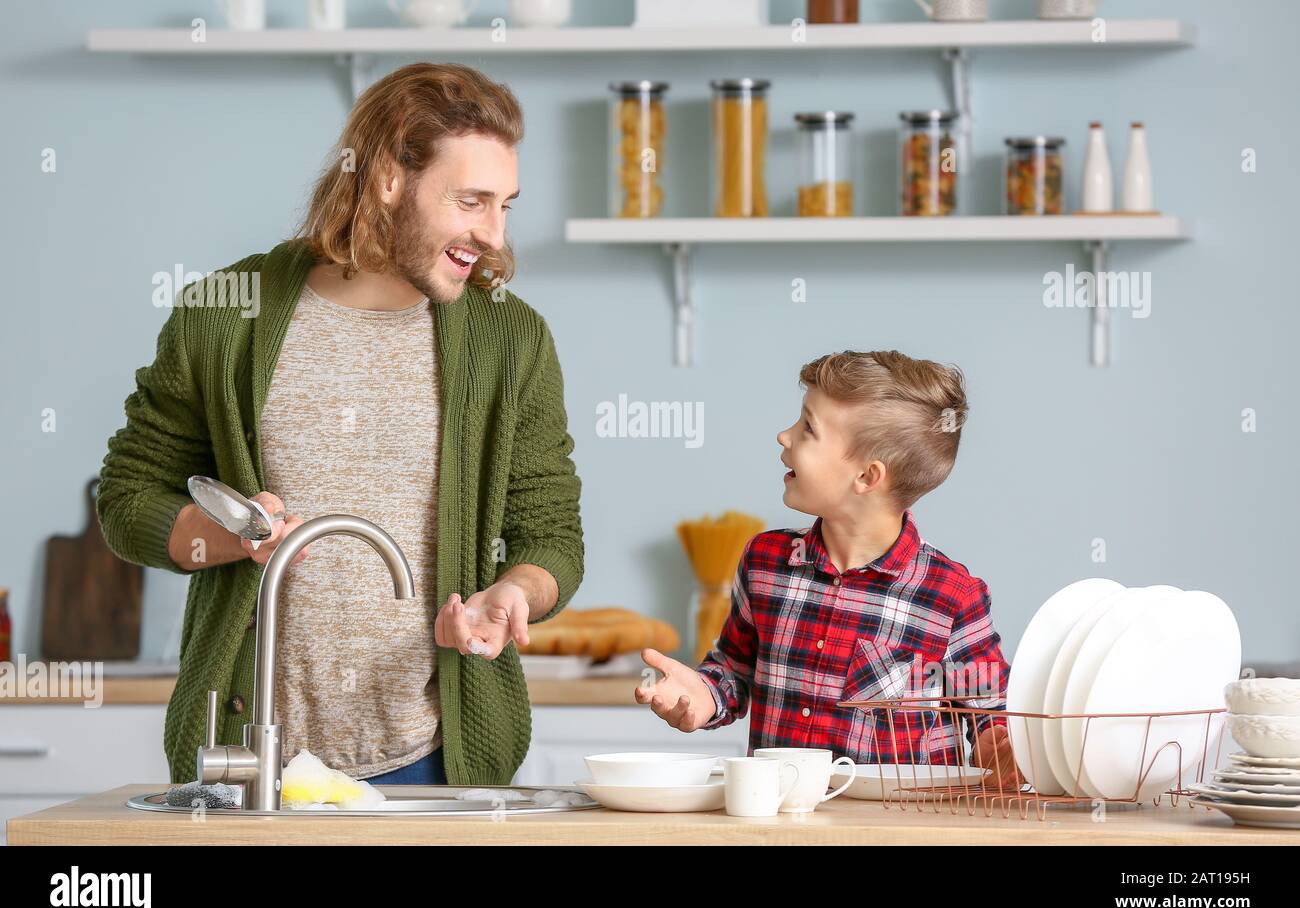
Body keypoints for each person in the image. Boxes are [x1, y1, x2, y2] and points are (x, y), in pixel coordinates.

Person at [96, 63, 583, 787]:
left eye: (505, 205)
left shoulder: (510, 340)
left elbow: (552, 533)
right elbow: (128, 499)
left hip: (439, 761)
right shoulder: (226, 314)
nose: (494, 235)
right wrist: (232, 538)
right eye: (472, 201)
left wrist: (512, 594)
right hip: (249, 758)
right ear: (389, 177)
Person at [637, 350, 1022, 790]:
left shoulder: (951, 594)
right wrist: (702, 696)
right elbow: (734, 671)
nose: (784, 436)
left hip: (895, 833)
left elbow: (989, 708)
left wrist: (1002, 743)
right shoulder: (765, 561)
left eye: (807, 429)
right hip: (781, 825)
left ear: (866, 477)